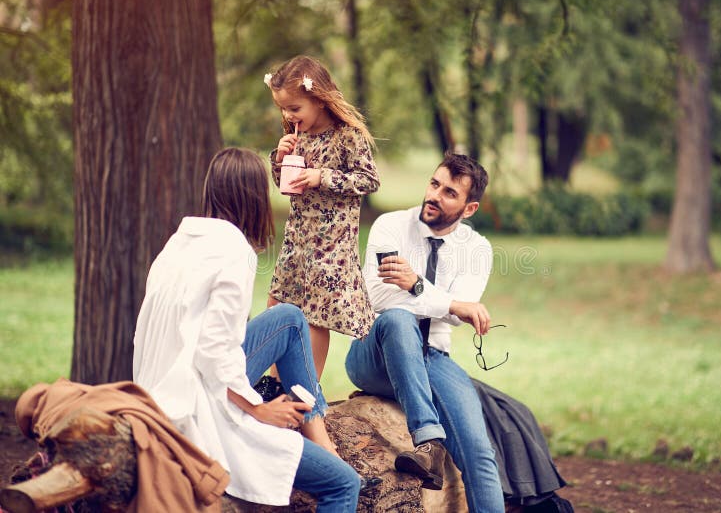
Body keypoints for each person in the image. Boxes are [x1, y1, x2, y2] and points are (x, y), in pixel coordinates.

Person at [132, 148, 360, 511]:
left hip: (155, 393)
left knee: (288, 316)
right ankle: (320, 438)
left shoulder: (176, 245)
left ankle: (315, 428)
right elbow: (212, 351)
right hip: (196, 406)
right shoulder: (235, 251)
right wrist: (257, 409)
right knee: (344, 484)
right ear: (255, 198)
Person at [345, 151, 506, 512]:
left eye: (450, 192)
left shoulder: (477, 249)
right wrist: (445, 302)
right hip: (375, 352)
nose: (434, 195)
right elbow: (378, 297)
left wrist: (417, 286)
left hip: (432, 355)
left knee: (479, 454)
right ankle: (428, 442)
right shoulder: (390, 227)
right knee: (399, 319)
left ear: (469, 209)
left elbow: (456, 314)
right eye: (434, 184)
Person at [263, 55, 380, 381]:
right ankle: (274, 383)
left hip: (330, 246)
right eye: (283, 109)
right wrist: (281, 158)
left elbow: (369, 180)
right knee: (279, 305)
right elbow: (285, 186)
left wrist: (322, 177)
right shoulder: (296, 135)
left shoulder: (347, 136)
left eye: (295, 108)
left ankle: (305, 391)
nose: (288, 115)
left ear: (319, 99)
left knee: (314, 316)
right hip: (298, 238)